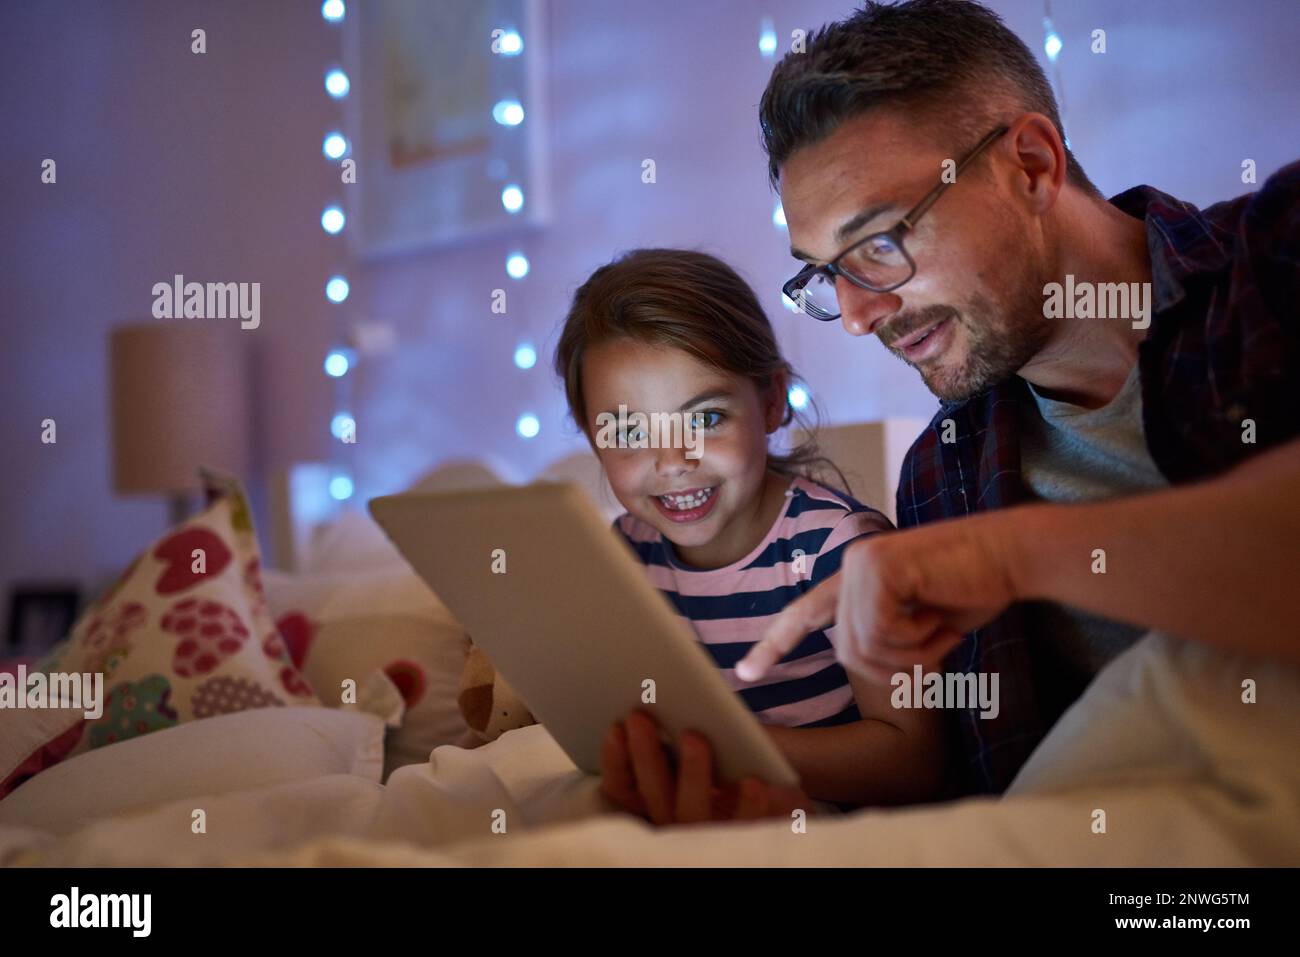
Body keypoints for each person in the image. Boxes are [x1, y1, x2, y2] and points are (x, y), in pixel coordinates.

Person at [624, 0, 1300, 821]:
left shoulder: (1275, 267)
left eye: (878, 243)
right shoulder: (945, 470)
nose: (862, 315)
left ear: (1031, 165)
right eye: (826, 274)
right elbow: (984, 788)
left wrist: (1009, 556)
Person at [553, 248, 951, 822]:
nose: (673, 460)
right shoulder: (625, 555)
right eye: (629, 430)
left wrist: (730, 753)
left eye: (705, 419)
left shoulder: (840, 552)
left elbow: (915, 761)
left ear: (769, 404)